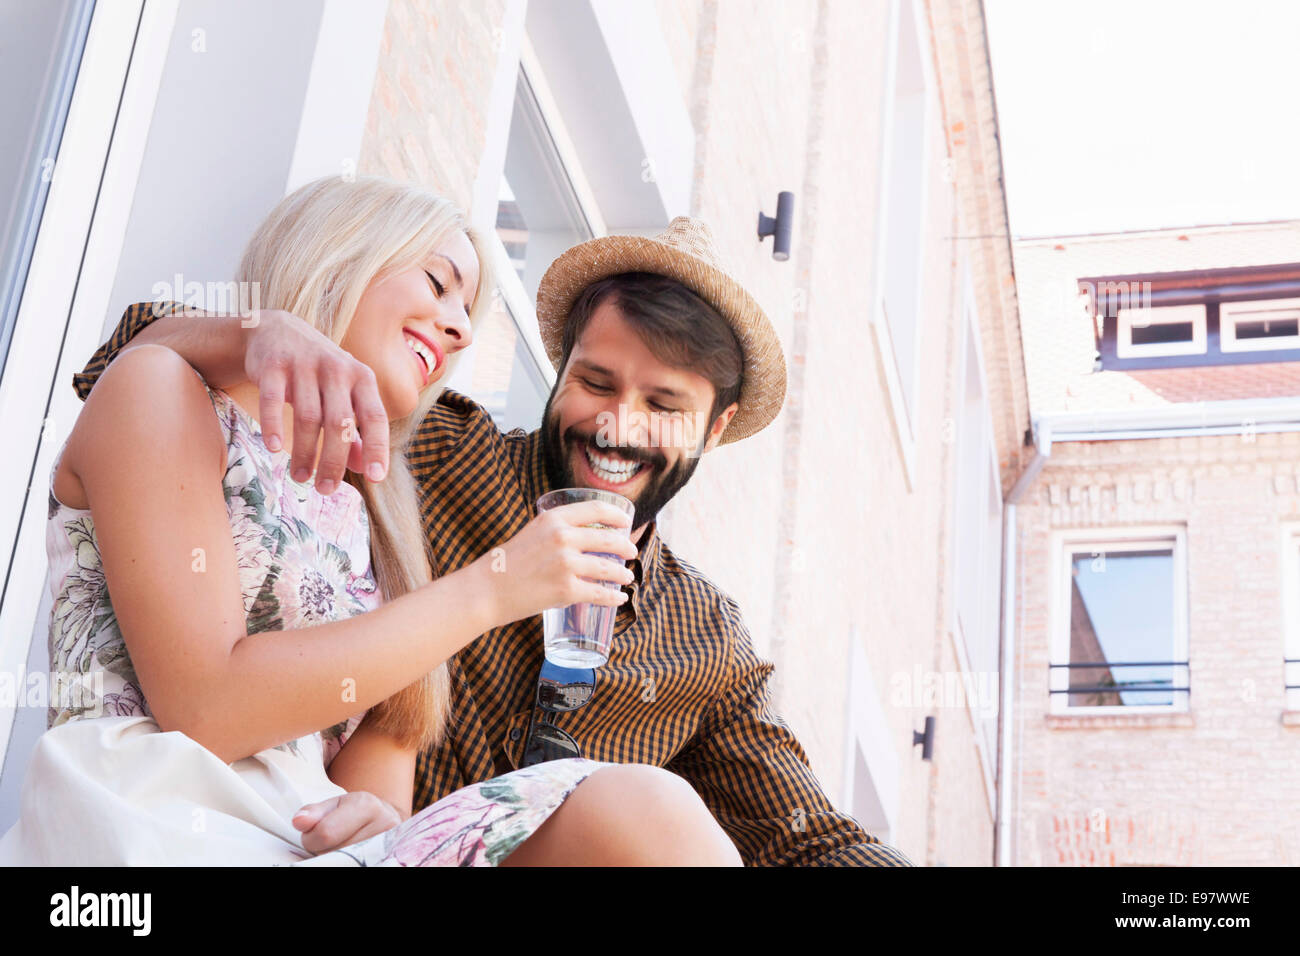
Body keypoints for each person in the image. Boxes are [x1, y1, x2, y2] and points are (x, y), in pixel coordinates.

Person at [69, 213, 914, 866]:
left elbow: (807, 838)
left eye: (664, 407)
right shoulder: (430, 452)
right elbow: (135, 359)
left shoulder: (707, 641)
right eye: (595, 382)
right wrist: (262, 335)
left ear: (715, 428)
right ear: (559, 373)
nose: (618, 426)